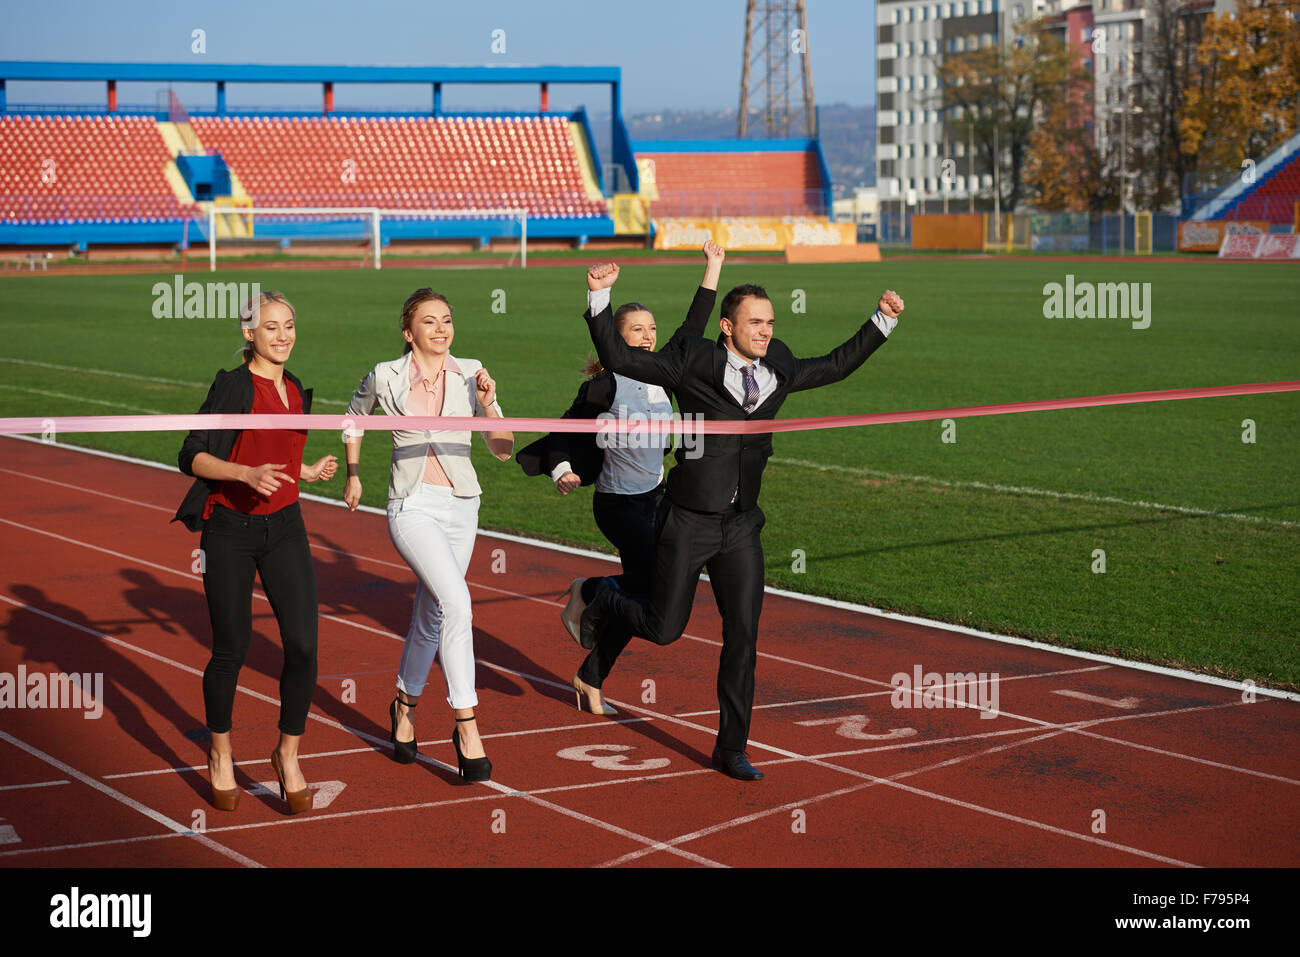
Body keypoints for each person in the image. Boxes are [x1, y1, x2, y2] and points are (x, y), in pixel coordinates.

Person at [577, 264, 905, 780]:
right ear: (728, 326)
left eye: (770, 322)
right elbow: (621, 358)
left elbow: (836, 365)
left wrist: (881, 320)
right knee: (664, 629)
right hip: (688, 520)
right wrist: (600, 296)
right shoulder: (694, 360)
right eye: (755, 322)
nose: (765, 331)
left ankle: (731, 748)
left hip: (742, 526)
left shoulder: (779, 364)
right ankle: (603, 596)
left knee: (743, 638)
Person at [517, 243, 726, 715]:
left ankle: (591, 675)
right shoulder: (604, 385)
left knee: (643, 594)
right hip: (617, 504)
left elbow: (693, 327)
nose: (648, 336)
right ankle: (591, 591)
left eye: (652, 329)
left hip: (656, 499)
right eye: (637, 329)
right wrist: (562, 470)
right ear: (617, 337)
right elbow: (561, 433)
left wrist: (712, 267)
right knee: (654, 586)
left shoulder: (665, 373)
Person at [174, 290, 338, 813]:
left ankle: (287, 753)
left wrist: (304, 471)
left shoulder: (295, 389)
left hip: (286, 528)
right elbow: (190, 454)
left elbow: (278, 454)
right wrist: (243, 474)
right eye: (271, 327)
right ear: (249, 334)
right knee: (233, 648)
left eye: (289, 325)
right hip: (230, 530)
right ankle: (220, 752)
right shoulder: (233, 386)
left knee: (304, 647)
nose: (283, 336)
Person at [342, 288, 513, 782]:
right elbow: (352, 418)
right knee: (457, 604)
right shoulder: (385, 374)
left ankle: (404, 704)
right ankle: (467, 726)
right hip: (411, 505)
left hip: (462, 505)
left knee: (433, 614)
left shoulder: (471, 371)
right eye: (429, 321)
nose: (441, 329)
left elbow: (502, 448)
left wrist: (489, 404)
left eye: (446, 320)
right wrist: (354, 474)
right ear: (408, 331)